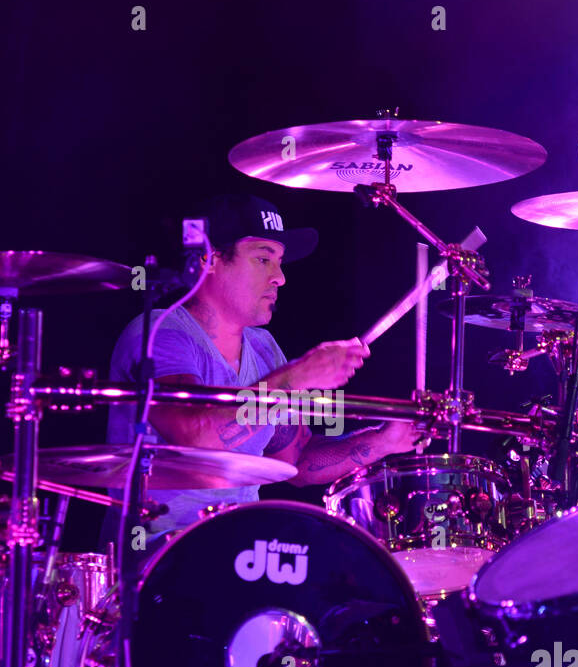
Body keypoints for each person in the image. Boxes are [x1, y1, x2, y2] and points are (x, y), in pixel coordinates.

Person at [101, 193, 422, 550]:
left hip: (238, 547)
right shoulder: (161, 333)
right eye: (263, 260)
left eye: (280, 262)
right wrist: (295, 377)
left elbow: (296, 462)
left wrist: (382, 441)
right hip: (155, 550)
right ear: (210, 260)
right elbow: (196, 438)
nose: (280, 278)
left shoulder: (264, 348)